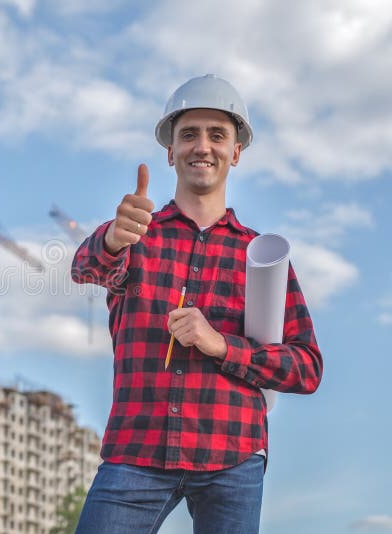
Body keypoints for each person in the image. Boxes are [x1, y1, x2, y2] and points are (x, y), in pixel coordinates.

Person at [71, 74, 323, 534]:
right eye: (189, 135)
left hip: (232, 457)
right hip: (137, 451)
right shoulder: (135, 235)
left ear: (236, 152)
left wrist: (223, 346)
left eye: (216, 135)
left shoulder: (260, 257)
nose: (202, 146)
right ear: (171, 151)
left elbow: (306, 368)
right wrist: (110, 237)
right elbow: (86, 268)